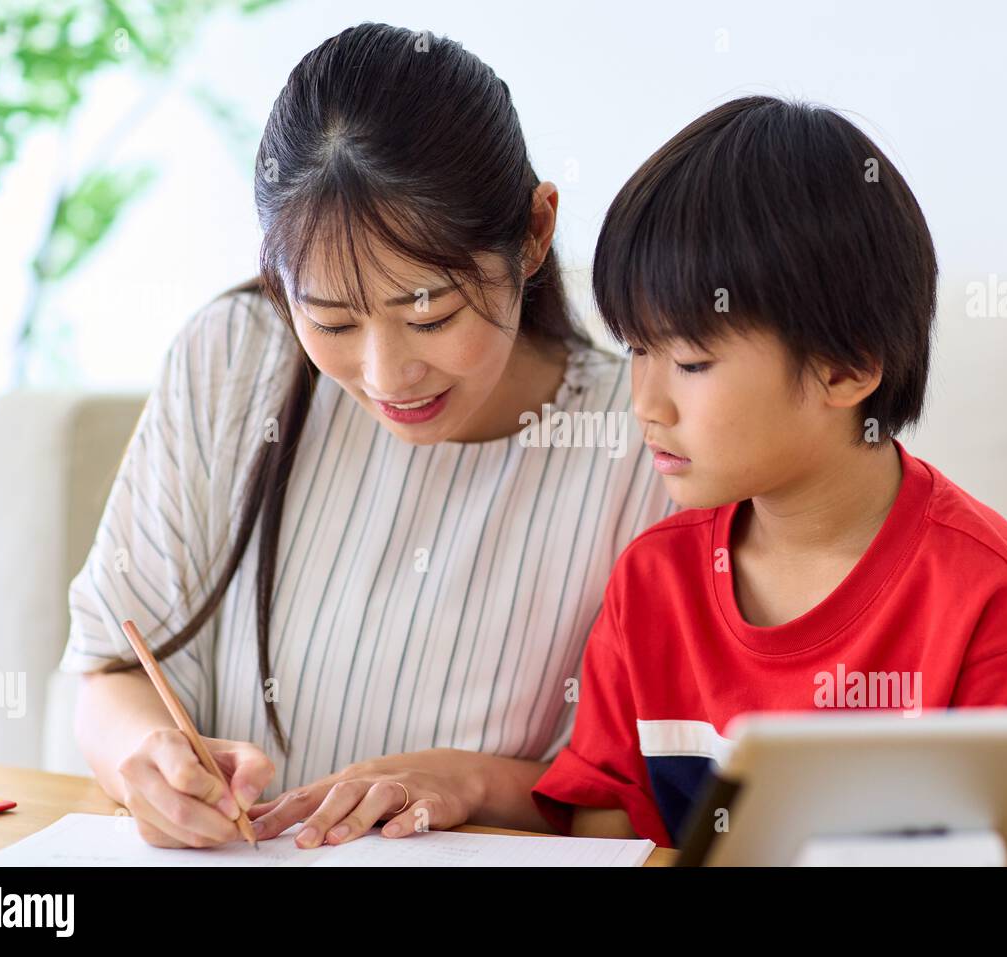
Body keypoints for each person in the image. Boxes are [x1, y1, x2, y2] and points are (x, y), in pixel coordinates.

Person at [63, 22, 673, 850]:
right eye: (334, 320)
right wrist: (146, 756)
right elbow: (109, 667)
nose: (387, 375)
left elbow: (645, 796)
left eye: (432, 312)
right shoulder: (236, 356)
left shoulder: (643, 442)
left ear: (533, 234)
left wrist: (466, 781)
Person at [531, 96, 1007, 848]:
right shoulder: (651, 583)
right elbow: (606, 823)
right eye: (637, 350)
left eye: (693, 361)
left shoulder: (992, 599)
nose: (646, 403)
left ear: (848, 366)